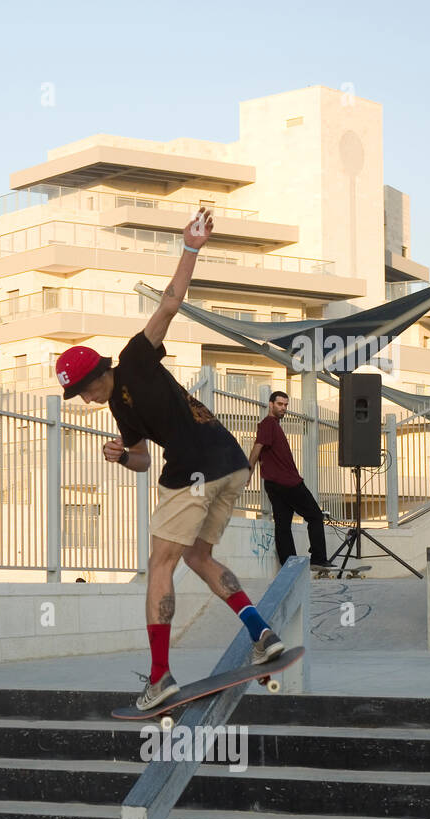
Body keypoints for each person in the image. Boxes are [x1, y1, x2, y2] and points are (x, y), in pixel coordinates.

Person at [57, 208, 285, 712]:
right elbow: (140, 461)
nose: (85, 402)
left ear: (92, 378)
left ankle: (160, 677)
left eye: (81, 394)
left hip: (196, 469)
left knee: (160, 564)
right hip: (231, 464)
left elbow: (171, 302)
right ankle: (262, 633)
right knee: (198, 557)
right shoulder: (121, 410)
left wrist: (190, 247)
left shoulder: (136, 355)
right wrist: (123, 456)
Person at [248, 390, 330, 571]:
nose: (283, 408)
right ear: (271, 404)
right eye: (280, 404)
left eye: (285, 405)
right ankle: (318, 558)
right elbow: (257, 449)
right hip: (288, 482)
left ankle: (288, 563)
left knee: (283, 523)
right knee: (315, 516)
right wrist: (248, 472)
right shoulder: (268, 423)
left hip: (273, 483)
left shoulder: (273, 425)